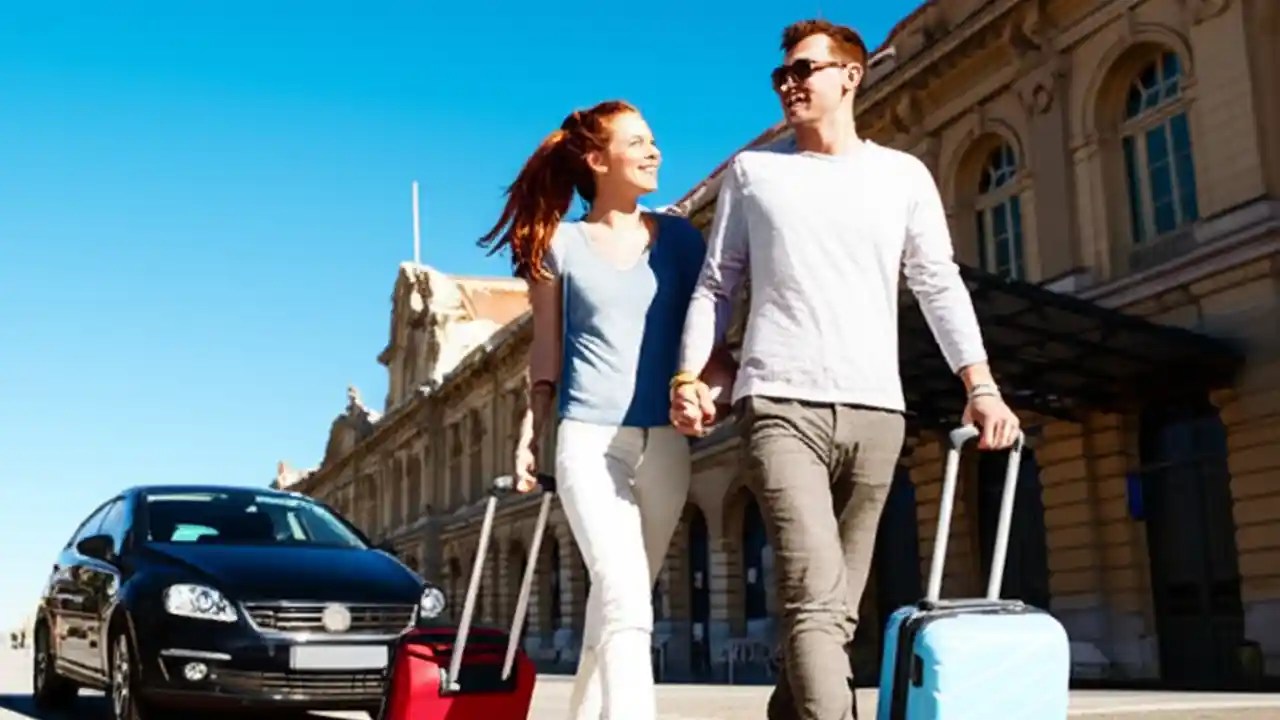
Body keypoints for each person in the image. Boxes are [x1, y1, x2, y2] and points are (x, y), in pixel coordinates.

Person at [669, 19, 1023, 720]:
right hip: (778, 405)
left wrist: (979, 386)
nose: (789, 84)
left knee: (834, 612)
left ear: (850, 76)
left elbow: (938, 284)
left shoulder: (902, 176)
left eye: (804, 70)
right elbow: (717, 286)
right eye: (782, 76)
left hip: (877, 414)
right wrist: (688, 377)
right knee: (810, 591)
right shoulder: (756, 173)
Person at [478, 99, 708, 720]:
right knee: (630, 601)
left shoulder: (683, 241)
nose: (655, 150)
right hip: (588, 440)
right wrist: (532, 431)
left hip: (663, 444)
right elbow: (546, 347)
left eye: (654, 139)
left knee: (616, 601)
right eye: (637, 142)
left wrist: (710, 383)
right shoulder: (560, 245)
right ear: (597, 158)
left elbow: (704, 329)